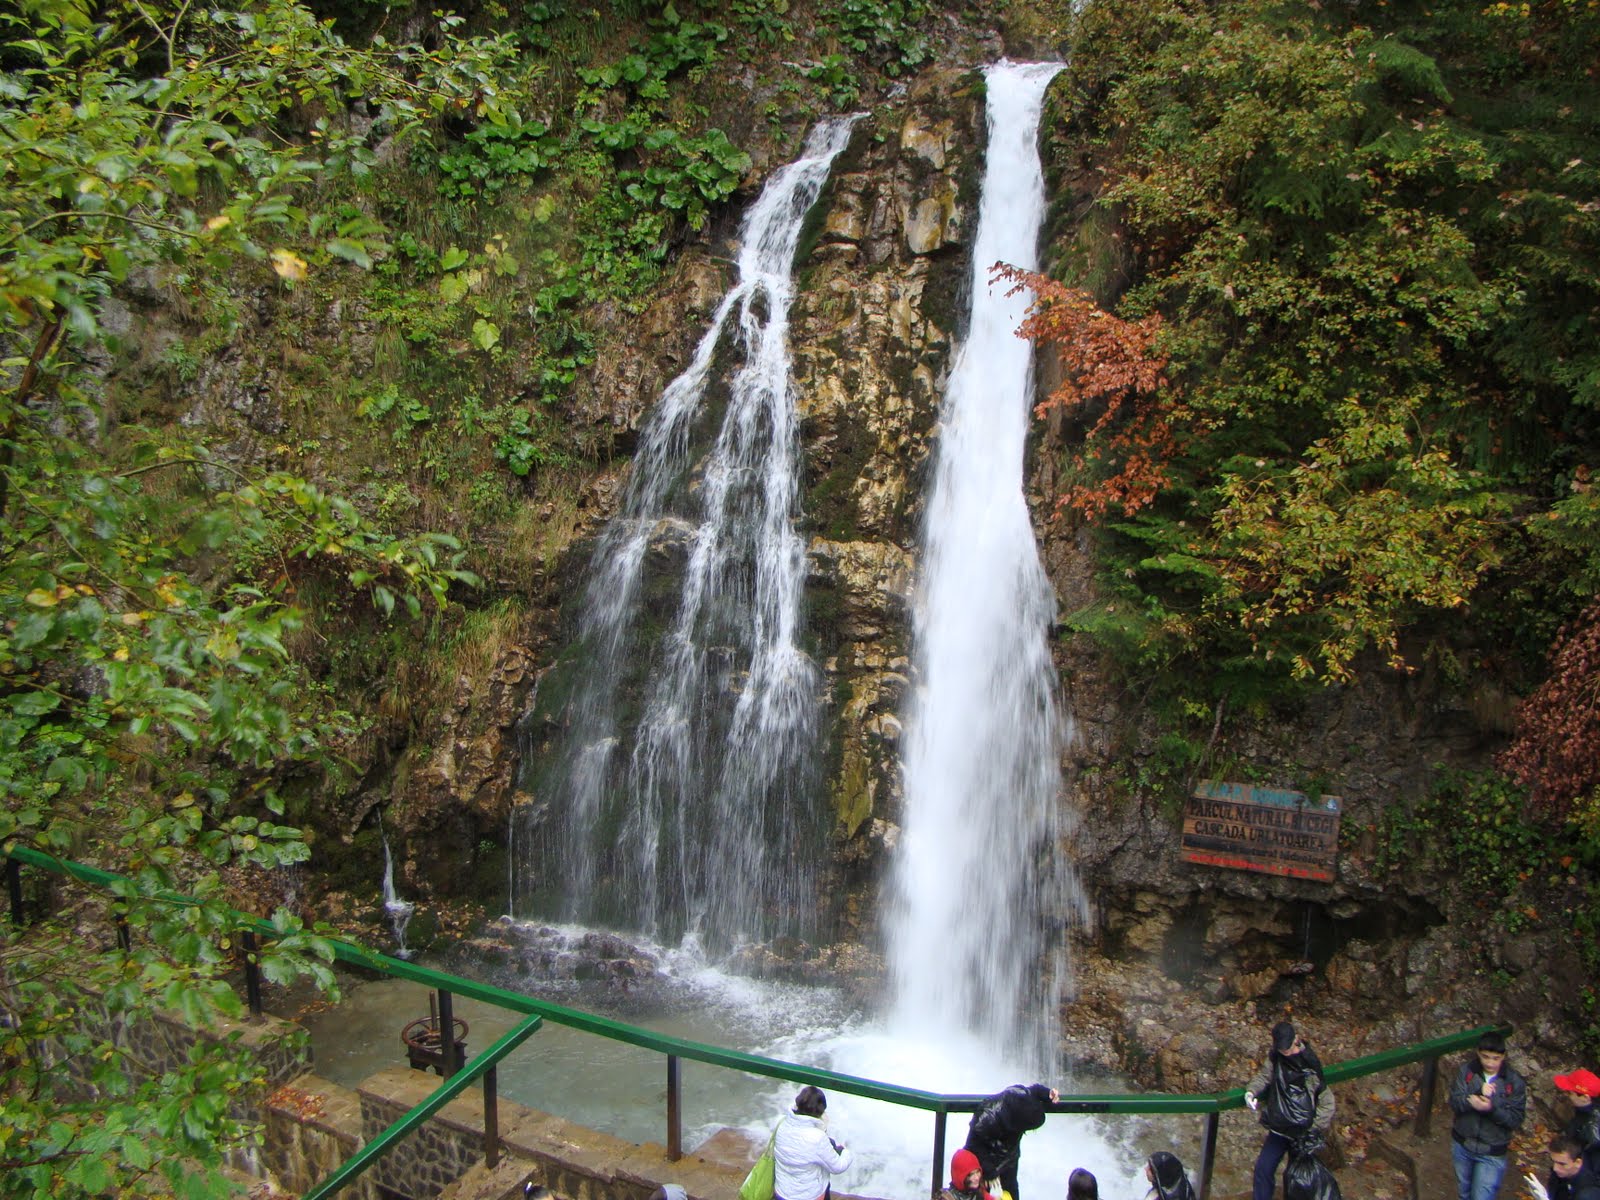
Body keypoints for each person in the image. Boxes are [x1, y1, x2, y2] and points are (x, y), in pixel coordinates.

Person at [1244, 1021, 1334, 1200]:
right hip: (1279, 1128)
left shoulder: (1309, 1065)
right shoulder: (1275, 1057)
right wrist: (1251, 1091)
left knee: (1295, 1177)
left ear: (1296, 1040)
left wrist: (1313, 1129)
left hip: (1302, 1133)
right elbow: (1264, 1076)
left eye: (1288, 1049)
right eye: (1282, 1050)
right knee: (1263, 1168)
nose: (1286, 1053)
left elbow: (1327, 1102)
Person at [1448, 1030, 1527, 1200]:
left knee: (1482, 1196)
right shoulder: (1467, 1072)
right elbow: (1454, 1102)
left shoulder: (1513, 1082)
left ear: (1503, 1056)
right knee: (1464, 1193)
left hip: (1492, 1151)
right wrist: (1473, 1097)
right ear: (1478, 1053)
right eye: (1485, 1057)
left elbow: (1515, 1120)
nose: (1490, 1063)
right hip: (1463, 1144)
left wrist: (1491, 1109)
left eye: (1495, 1058)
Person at [964, 1082, 1058, 1200]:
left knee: (1011, 1191)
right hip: (984, 1161)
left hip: (1009, 1156)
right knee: (979, 1194)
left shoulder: (1022, 1096)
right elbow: (972, 1147)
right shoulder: (987, 1119)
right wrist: (989, 1170)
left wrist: (1048, 1094)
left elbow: (1035, 1090)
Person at [773, 1085, 852, 1200]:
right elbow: (837, 1167)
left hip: (782, 1192)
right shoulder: (817, 1138)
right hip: (808, 1196)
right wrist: (845, 1152)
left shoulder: (781, 1123)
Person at [1525, 1135, 1600, 1200]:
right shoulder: (1561, 1173)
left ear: (1577, 1163)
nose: (1555, 1168)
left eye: (1562, 1164)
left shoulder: (1587, 1194)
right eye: (1554, 1161)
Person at [1555, 1069, 1600, 1171]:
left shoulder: (1592, 1126)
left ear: (1585, 1097)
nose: (1567, 1095)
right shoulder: (1582, 1114)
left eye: (1570, 1093)